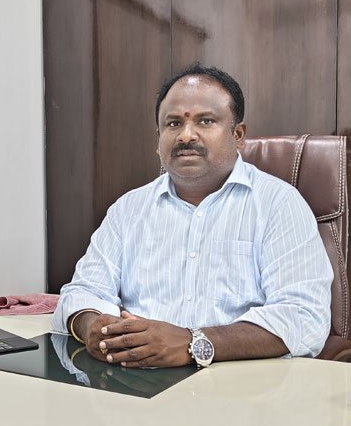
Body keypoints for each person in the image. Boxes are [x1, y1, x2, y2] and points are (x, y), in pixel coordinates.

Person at [52, 64, 333, 368]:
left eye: (205, 121)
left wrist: (193, 342)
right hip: (135, 380)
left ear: (238, 135)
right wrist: (94, 326)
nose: (186, 135)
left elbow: (304, 317)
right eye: (173, 124)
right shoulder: (129, 209)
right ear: (159, 138)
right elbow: (82, 291)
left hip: (240, 384)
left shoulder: (278, 204)